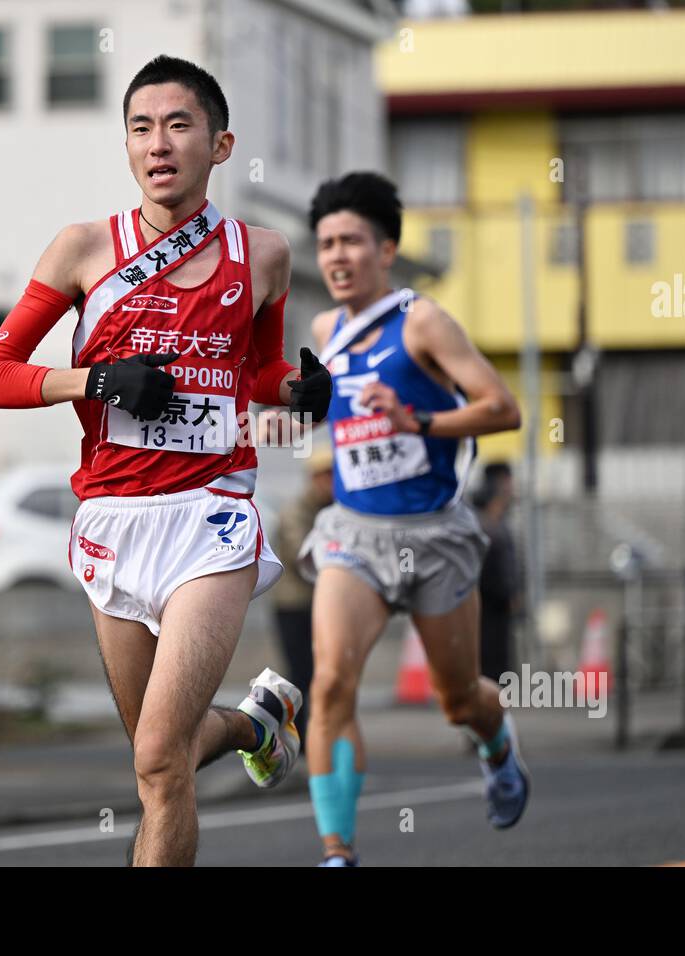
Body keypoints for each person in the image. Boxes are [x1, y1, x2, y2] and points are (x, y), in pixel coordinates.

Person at [0, 55, 333, 866]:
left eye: (178, 125)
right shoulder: (82, 249)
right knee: (159, 755)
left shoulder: (263, 255)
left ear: (220, 143)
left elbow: (262, 372)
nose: (158, 144)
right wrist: (96, 378)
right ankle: (257, 724)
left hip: (211, 516)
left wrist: (302, 391)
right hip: (109, 520)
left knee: (160, 764)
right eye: (141, 128)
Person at [297, 172, 530, 866]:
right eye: (326, 243)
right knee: (331, 682)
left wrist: (417, 418)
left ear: (386, 248)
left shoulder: (421, 321)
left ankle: (497, 746)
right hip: (354, 533)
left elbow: (504, 408)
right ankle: (337, 853)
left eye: (351, 242)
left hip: (433, 536)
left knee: (458, 701)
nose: (337, 256)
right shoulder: (323, 329)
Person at [270, 445, 336, 749]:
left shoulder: (330, 510)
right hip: (295, 606)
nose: (333, 483)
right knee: (301, 674)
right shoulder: (297, 511)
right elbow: (302, 558)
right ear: (315, 478)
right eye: (327, 476)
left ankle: (311, 739)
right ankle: (298, 739)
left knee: (320, 674)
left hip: (319, 605)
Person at [473, 462, 520, 684]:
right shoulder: (486, 527)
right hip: (488, 607)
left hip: (497, 608)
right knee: (490, 669)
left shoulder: (496, 525)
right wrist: (506, 593)